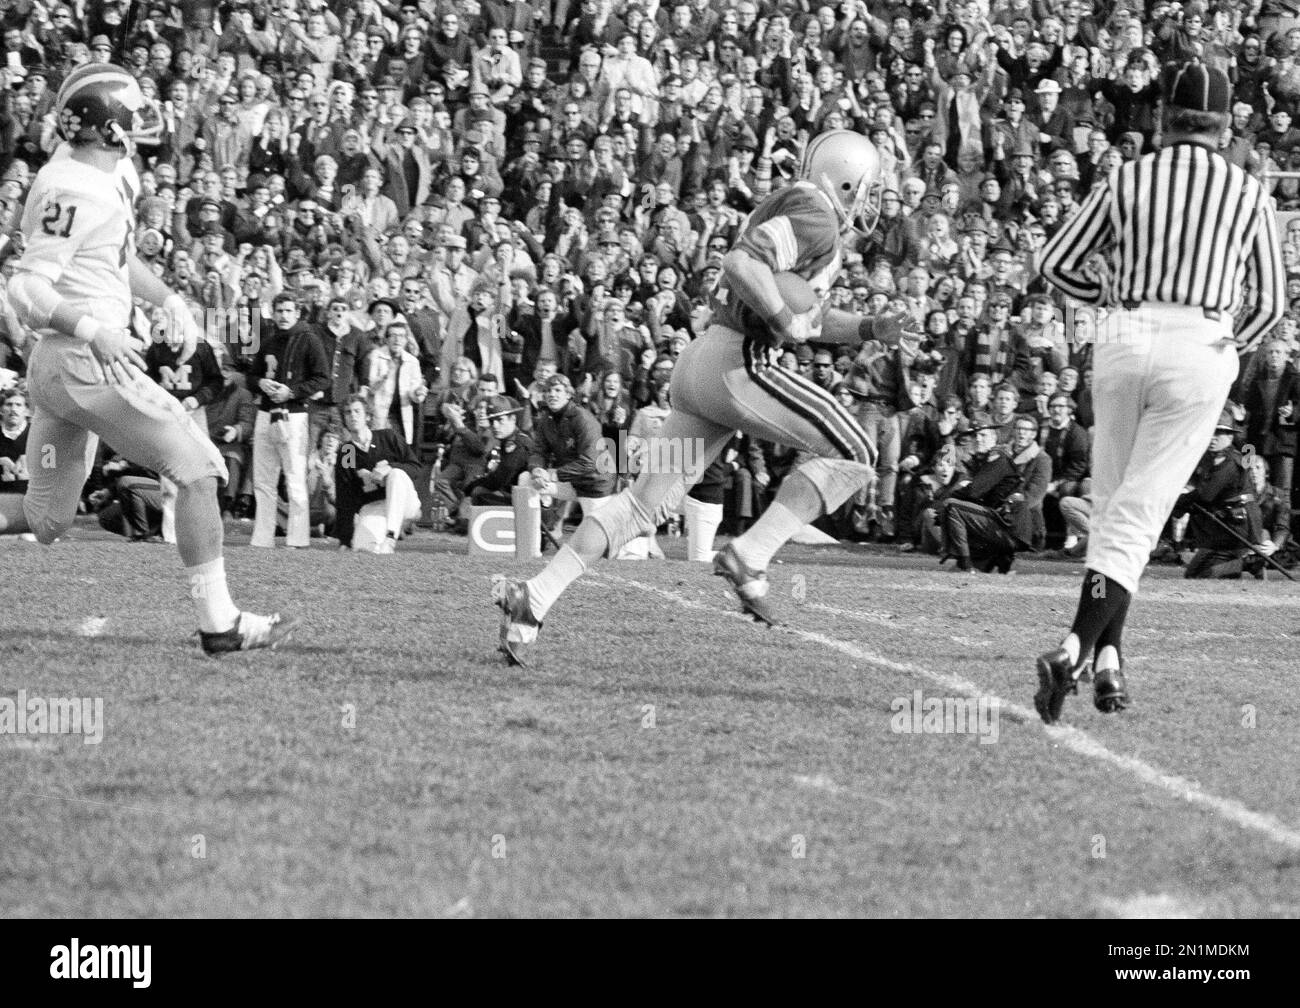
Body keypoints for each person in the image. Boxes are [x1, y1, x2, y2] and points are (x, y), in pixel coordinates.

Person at [493, 130, 910, 664]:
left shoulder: (803, 210)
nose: (871, 200)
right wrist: (782, 322)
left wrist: (871, 326)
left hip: (700, 367)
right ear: (845, 177)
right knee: (858, 450)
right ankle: (750, 554)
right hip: (739, 362)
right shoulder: (816, 213)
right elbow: (744, 267)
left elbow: (810, 313)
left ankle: (535, 598)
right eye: (867, 187)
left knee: (641, 507)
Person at [0, 64, 295, 653]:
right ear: (107, 124)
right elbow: (26, 291)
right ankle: (220, 624)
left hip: (63, 368)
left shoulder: (108, 171)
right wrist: (95, 330)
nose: (141, 119)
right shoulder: (72, 187)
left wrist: (167, 299)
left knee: (46, 520)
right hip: (86, 361)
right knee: (201, 472)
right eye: (131, 110)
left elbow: (115, 255)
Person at [1034, 63, 1285, 723]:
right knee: (1138, 517)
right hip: (1197, 341)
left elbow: (1055, 262)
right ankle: (1075, 647)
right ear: (1227, 125)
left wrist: (1109, 297)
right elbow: (1272, 302)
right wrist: (1228, 341)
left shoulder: (1128, 176)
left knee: (1115, 503)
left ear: (1163, 120)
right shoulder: (1247, 190)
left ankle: (1109, 663)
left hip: (1124, 335)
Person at [248, 291, 329, 549]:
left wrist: (292, 391)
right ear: (273, 312)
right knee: (263, 480)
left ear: (297, 313)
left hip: (294, 415)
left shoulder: (309, 340)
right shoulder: (269, 341)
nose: (283, 316)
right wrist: (260, 382)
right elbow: (251, 375)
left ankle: (297, 538)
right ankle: (262, 538)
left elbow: (323, 378)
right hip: (265, 412)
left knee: (294, 478)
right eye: (279, 310)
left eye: (288, 311)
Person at [334, 394, 422, 554]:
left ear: (367, 416)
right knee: (365, 548)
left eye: (357, 411)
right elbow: (345, 496)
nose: (352, 415)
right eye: (347, 412)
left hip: (405, 502)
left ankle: (390, 536)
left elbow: (415, 468)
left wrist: (389, 468)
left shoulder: (388, 437)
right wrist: (345, 540)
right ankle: (384, 537)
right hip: (375, 505)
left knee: (395, 474)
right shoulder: (348, 452)